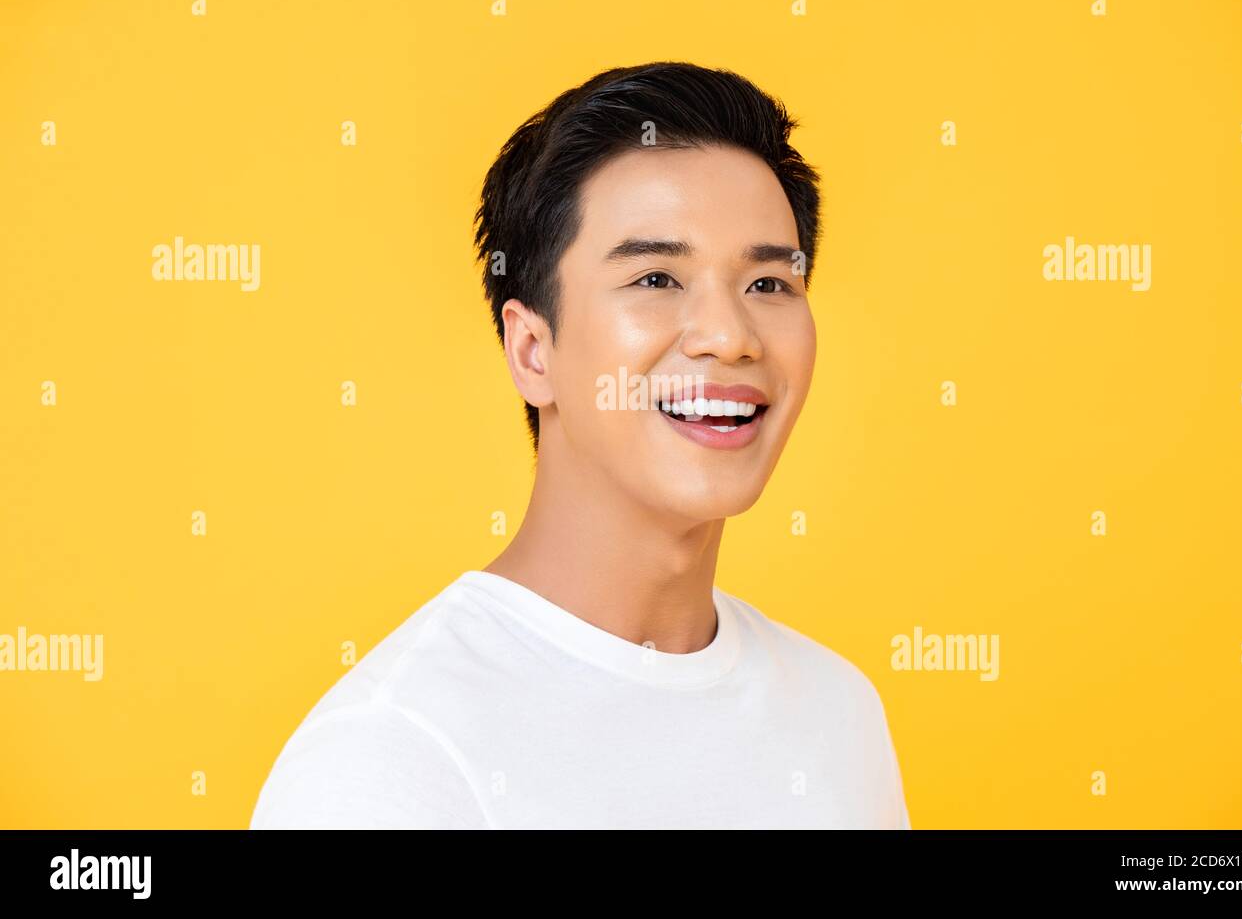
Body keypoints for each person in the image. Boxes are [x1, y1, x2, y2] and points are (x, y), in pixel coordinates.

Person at [250, 61, 910, 829]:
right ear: (533, 351)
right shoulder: (391, 759)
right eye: (658, 278)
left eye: (768, 284)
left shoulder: (839, 713)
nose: (730, 338)